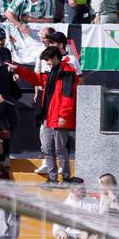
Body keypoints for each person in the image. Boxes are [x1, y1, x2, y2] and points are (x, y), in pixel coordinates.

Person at [33, 45, 78, 183]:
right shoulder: (51, 72)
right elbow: (34, 78)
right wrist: (19, 70)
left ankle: (65, 177)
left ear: (54, 57)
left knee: (60, 149)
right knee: (47, 148)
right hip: (47, 116)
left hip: (59, 117)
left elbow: (67, 96)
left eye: (48, 60)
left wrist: (63, 115)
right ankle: (52, 178)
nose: (47, 63)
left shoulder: (67, 71)